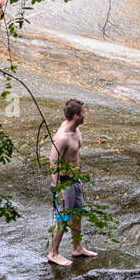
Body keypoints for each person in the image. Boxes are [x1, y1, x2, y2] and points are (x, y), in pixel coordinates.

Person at [47, 99, 98, 266]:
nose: (85, 115)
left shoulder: (75, 129)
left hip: (76, 181)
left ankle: (77, 248)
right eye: (83, 112)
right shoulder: (62, 137)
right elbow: (53, 162)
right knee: (62, 218)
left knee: (77, 215)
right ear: (76, 116)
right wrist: (58, 189)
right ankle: (53, 253)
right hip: (64, 182)